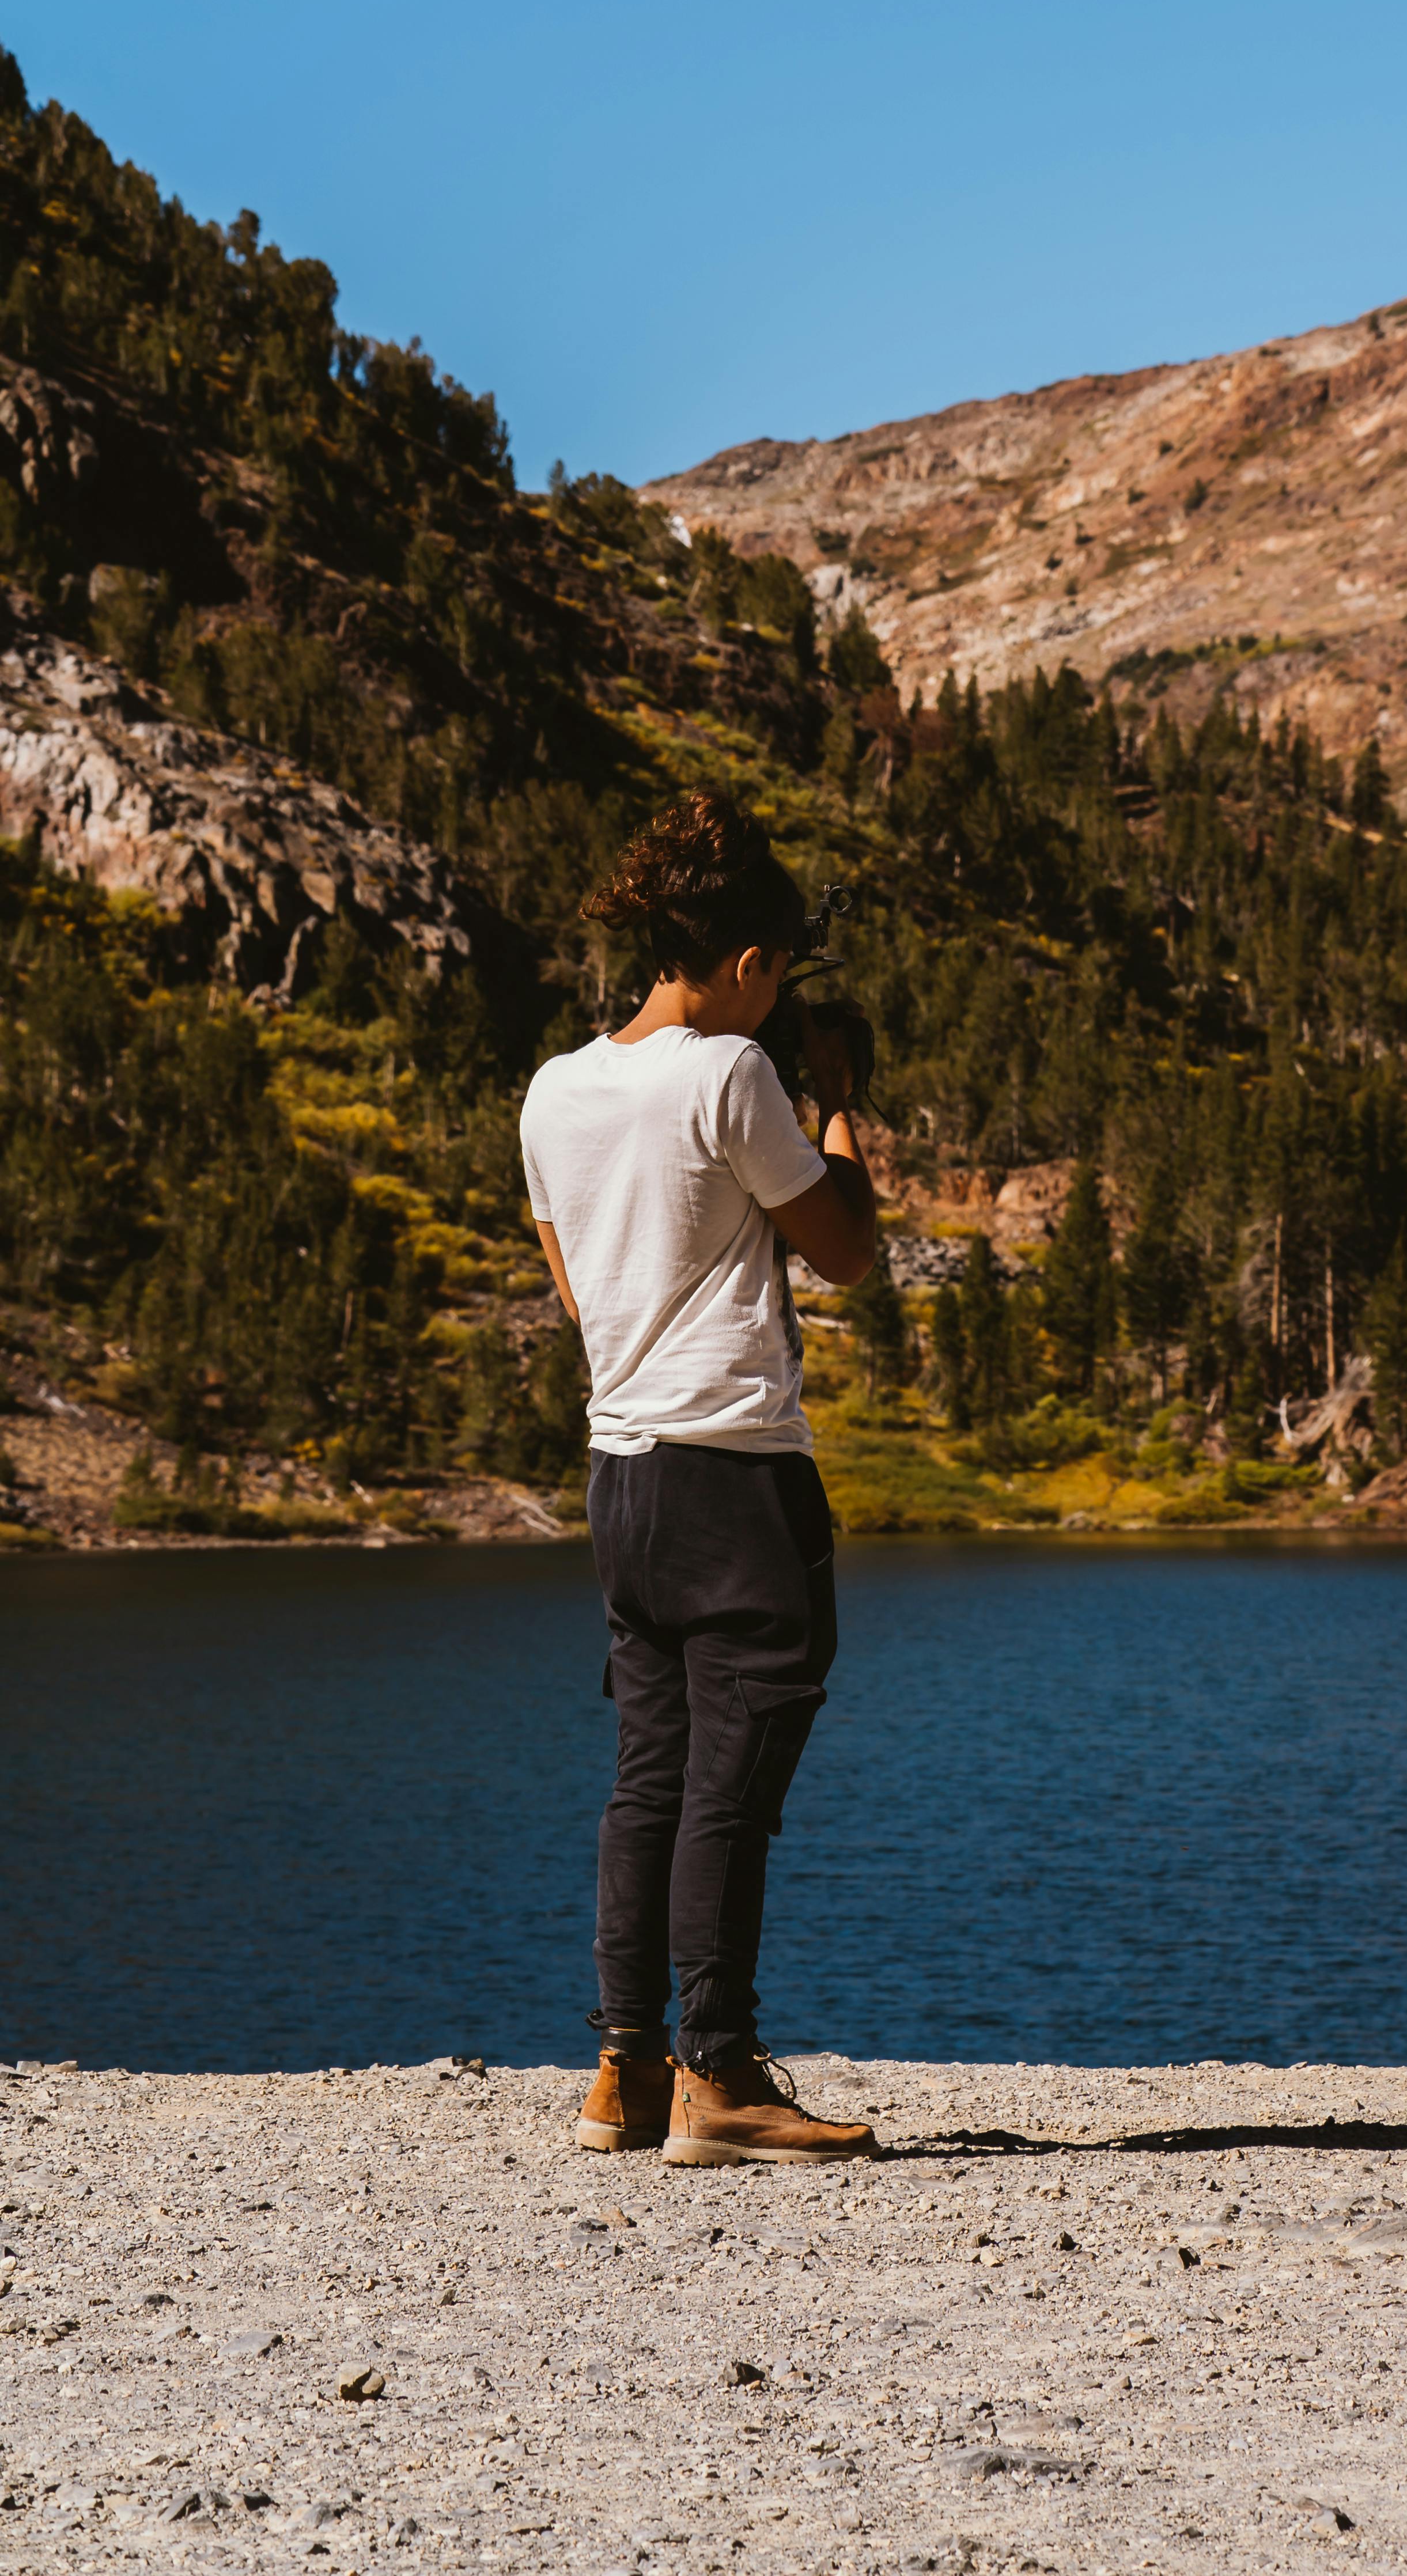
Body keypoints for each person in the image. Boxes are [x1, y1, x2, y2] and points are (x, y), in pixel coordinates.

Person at [519, 790, 881, 2165]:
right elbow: (841, 1247)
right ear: (738, 959)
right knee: (732, 1784)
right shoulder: (733, 1079)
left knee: (650, 1775)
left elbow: (579, 1292)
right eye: (776, 968)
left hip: (623, 1477)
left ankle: (625, 2070)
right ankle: (720, 2076)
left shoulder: (554, 1089)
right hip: (737, 1477)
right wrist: (837, 1103)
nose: (776, 993)